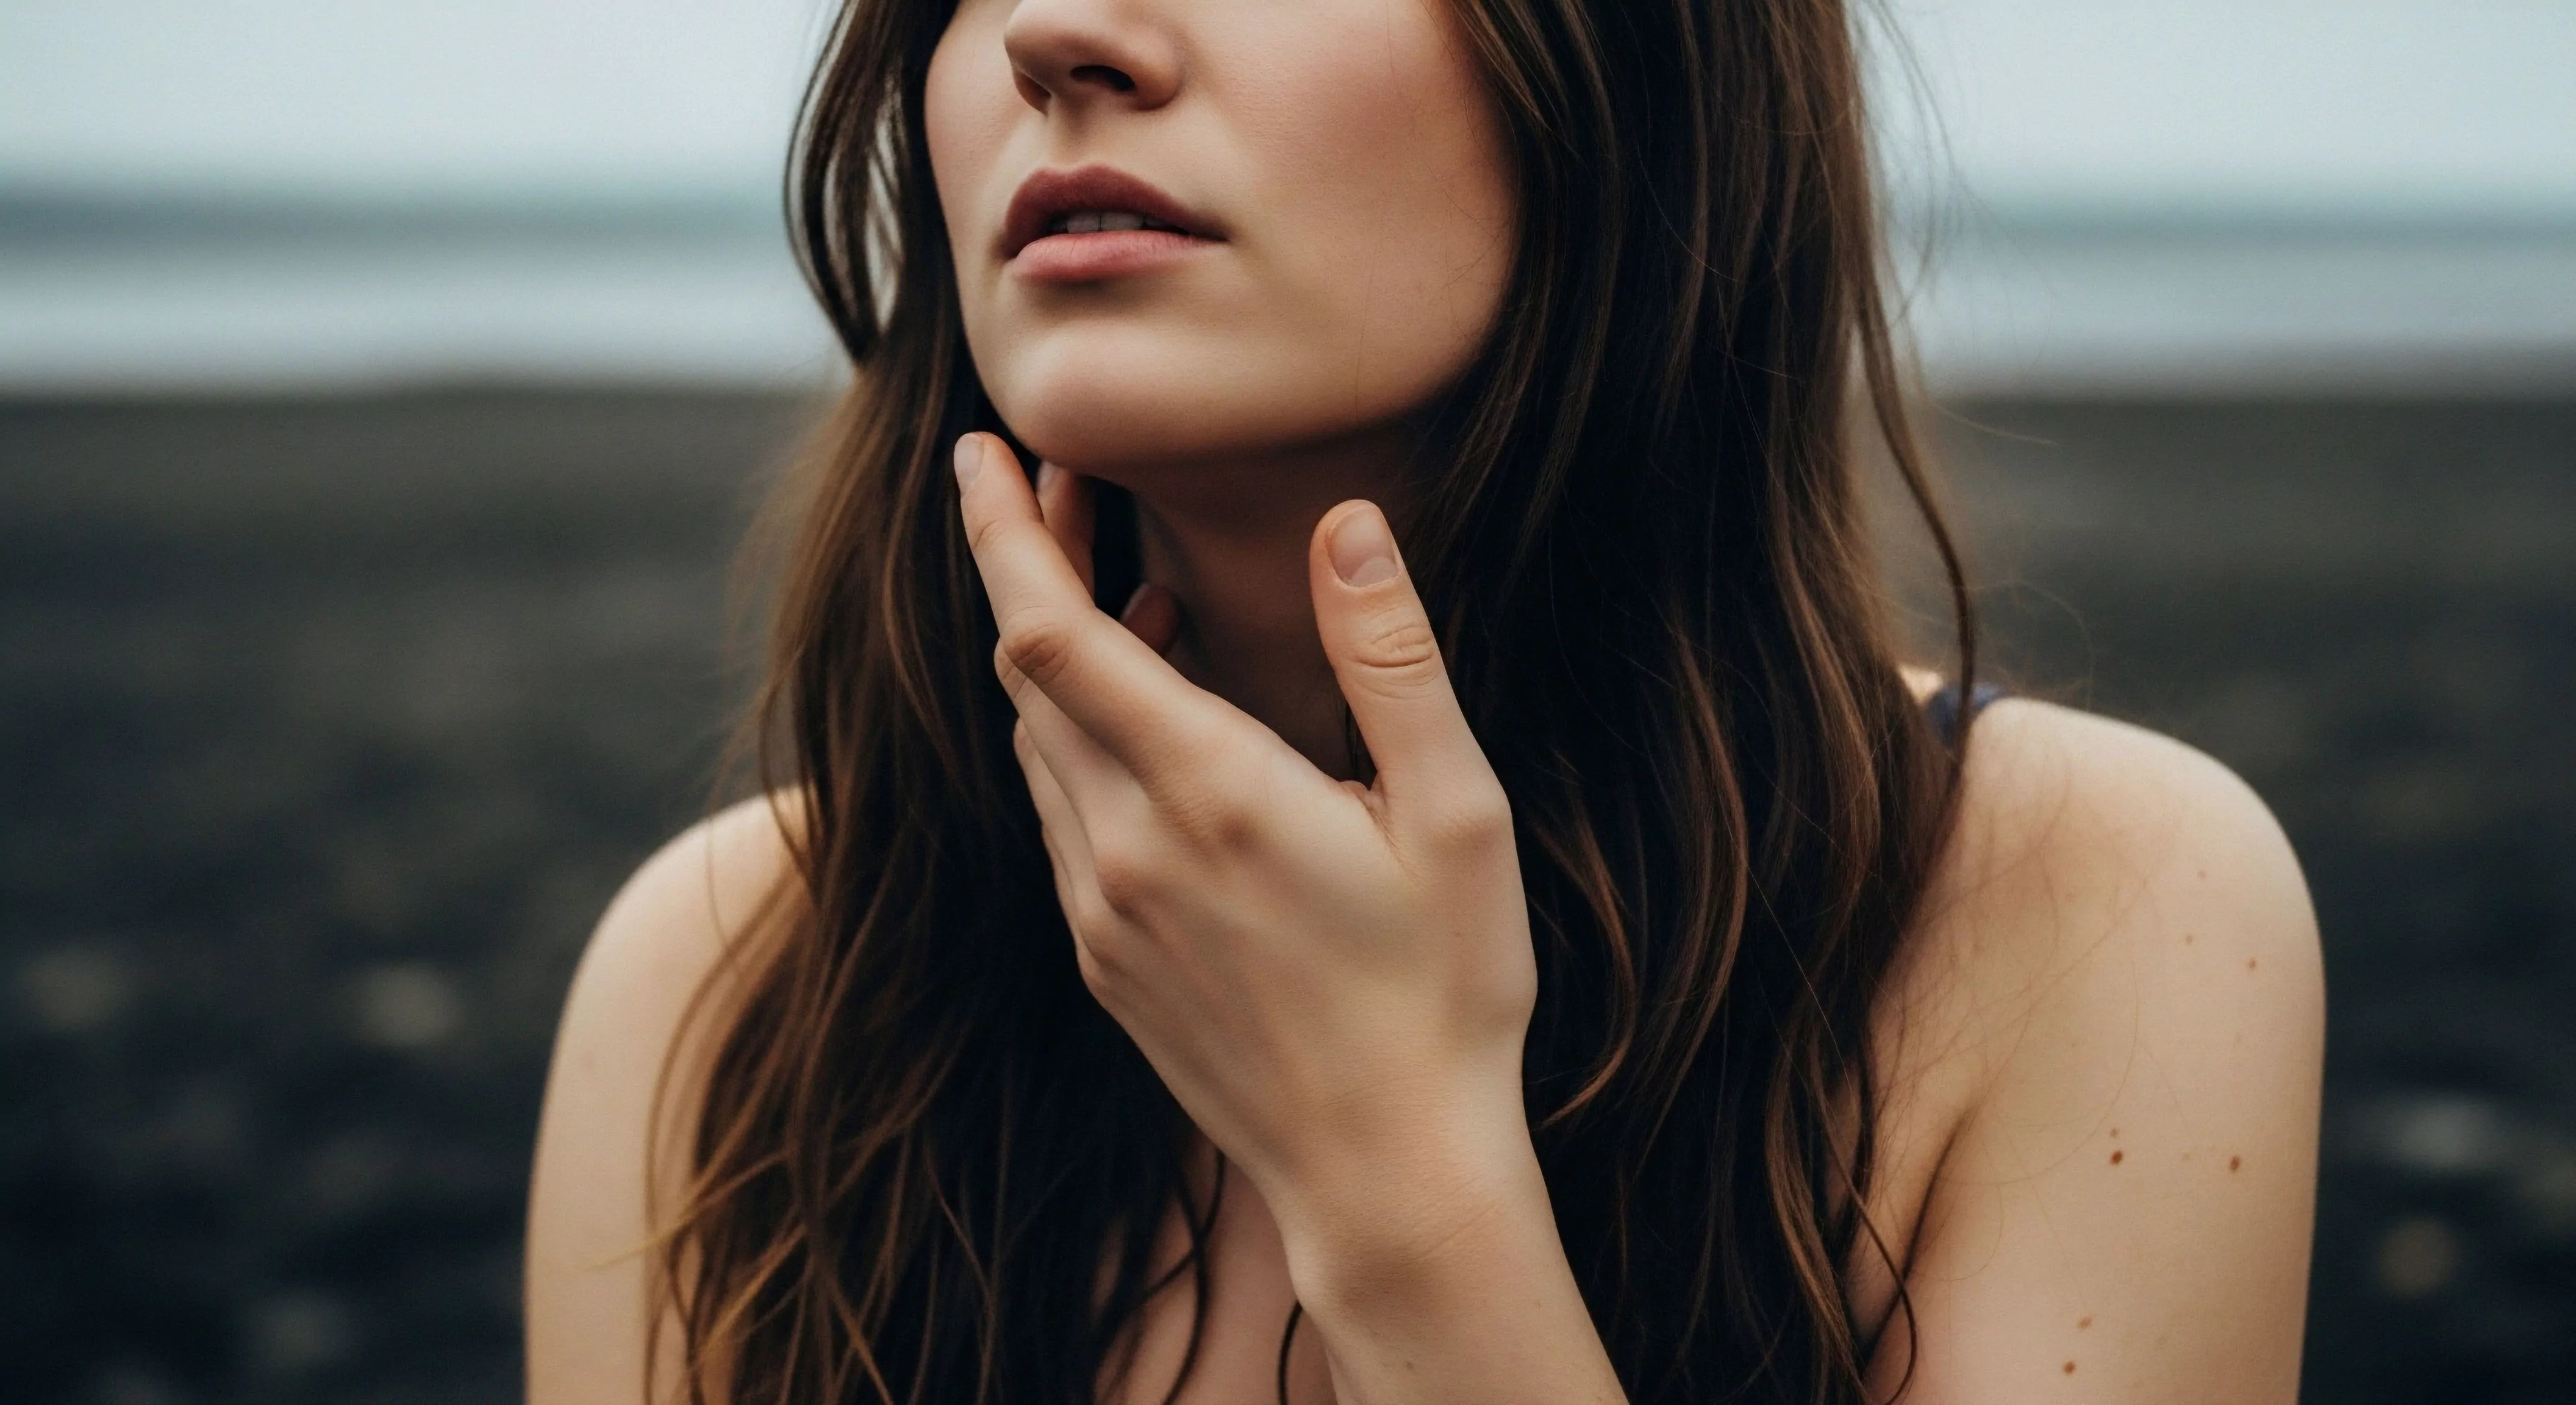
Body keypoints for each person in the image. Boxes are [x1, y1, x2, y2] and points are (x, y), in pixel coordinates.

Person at [524, 0, 2324, 1400]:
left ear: (1638, 67)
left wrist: (1397, 1186)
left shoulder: (2096, 913)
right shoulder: (731, 966)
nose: (1055, 34)